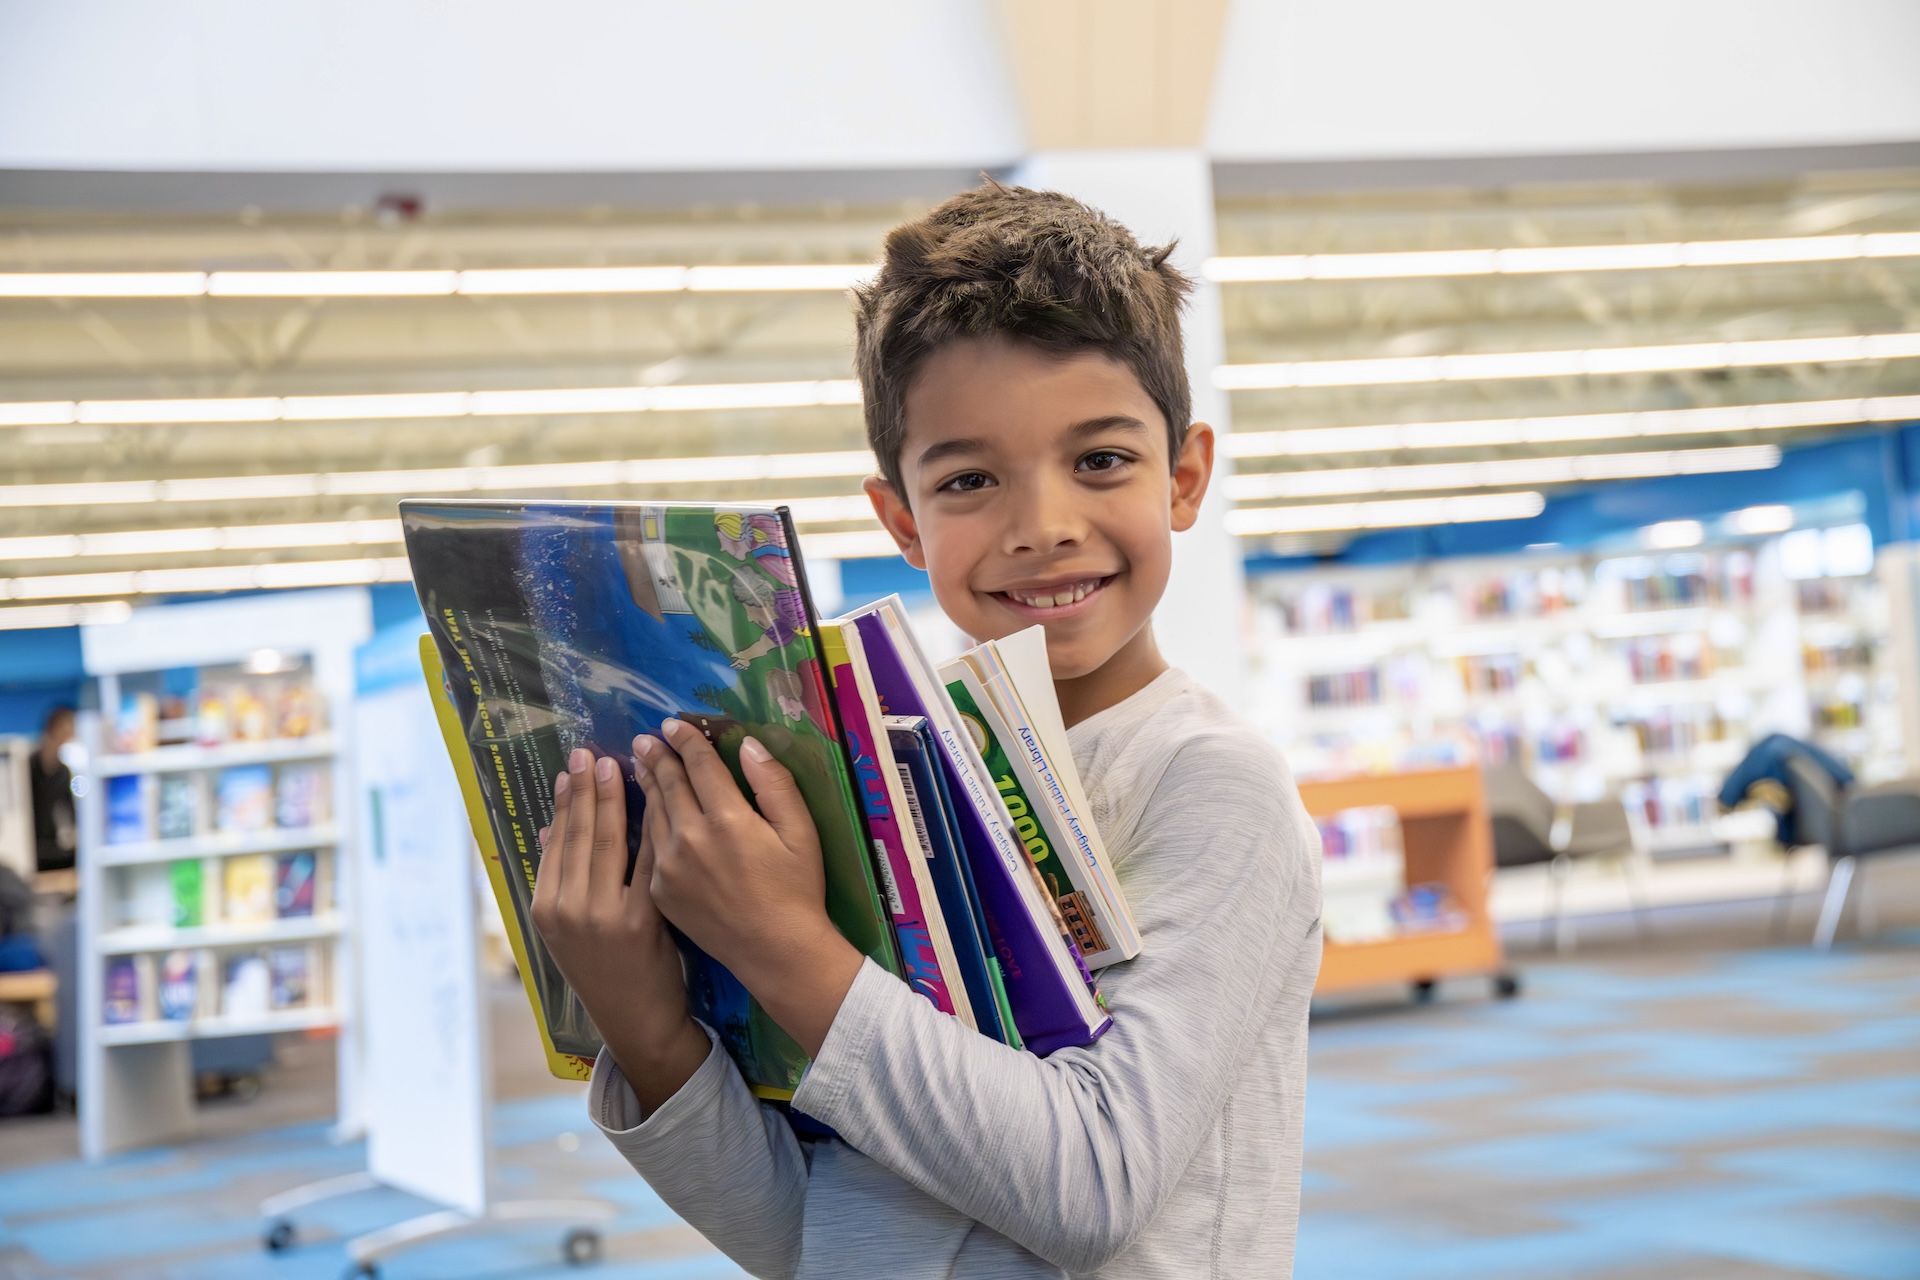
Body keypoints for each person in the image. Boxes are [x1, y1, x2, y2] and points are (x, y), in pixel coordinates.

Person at [531, 181, 1324, 1278]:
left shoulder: (1208, 781)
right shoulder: (874, 770)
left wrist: (782, 943)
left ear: (1184, 477)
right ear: (901, 518)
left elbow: (1094, 1185)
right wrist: (650, 1030)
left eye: (1100, 460)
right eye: (970, 479)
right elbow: (812, 1237)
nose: (1043, 526)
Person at [28, 705, 77, 875]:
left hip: (55, 852)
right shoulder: (27, 767)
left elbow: (70, 813)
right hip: (31, 850)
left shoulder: (63, 772)